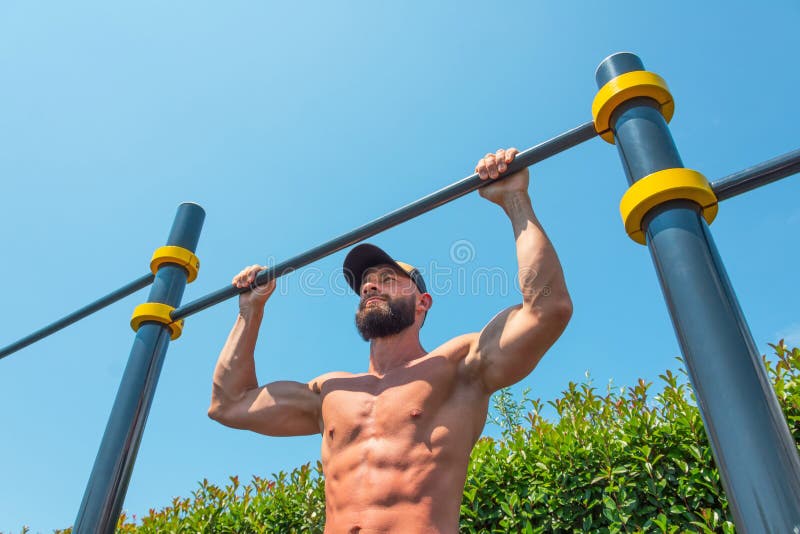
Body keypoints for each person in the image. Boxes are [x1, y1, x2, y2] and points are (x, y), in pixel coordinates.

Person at [208, 148, 573, 534]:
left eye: (387, 277)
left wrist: (515, 198)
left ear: (422, 302)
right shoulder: (329, 392)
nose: (369, 285)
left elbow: (546, 311)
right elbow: (228, 404)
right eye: (365, 282)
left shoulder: (458, 367)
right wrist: (250, 311)